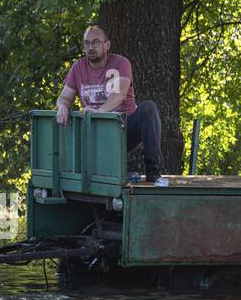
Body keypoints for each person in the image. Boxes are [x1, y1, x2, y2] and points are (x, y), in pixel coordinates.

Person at [54, 24, 164, 184]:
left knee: (149, 108)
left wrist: (99, 111)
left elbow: (118, 96)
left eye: (96, 42)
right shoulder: (78, 67)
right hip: (94, 132)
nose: (90, 47)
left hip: (123, 127)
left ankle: (154, 173)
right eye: (87, 43)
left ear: (107, 45)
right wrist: (62, 107)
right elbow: (64, 97)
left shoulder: (121, 63)